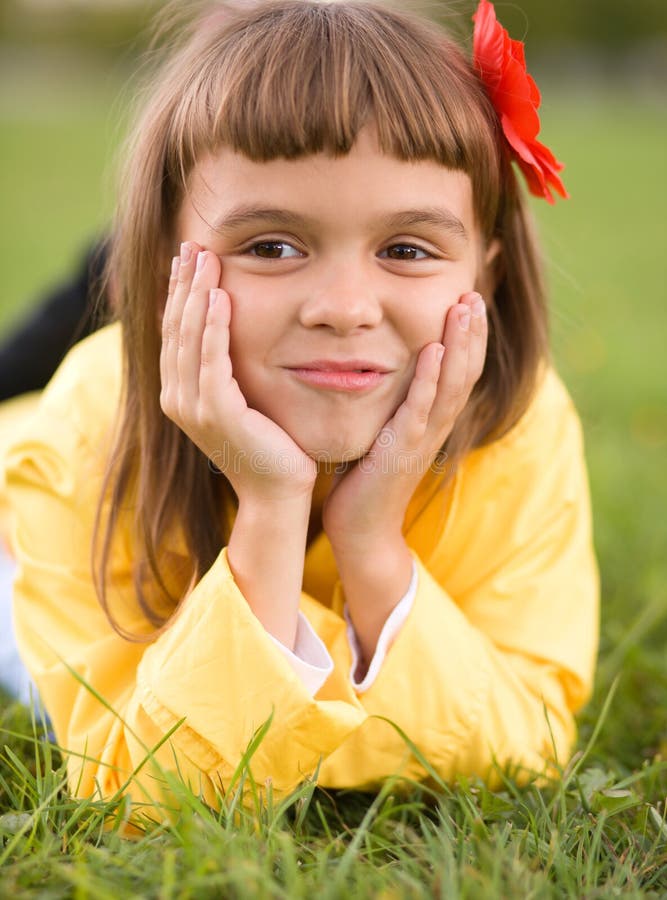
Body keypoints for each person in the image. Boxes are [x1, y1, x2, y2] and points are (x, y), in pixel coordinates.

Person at [2, 0, 598, 816]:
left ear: (484, 273)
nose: (344, 308)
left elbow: (527, 741)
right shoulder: (86, 428)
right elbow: (138, 787)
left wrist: (371, 541)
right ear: (164, 257)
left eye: (405, 249)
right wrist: (272, 506)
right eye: (272, 246)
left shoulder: (522, 424)